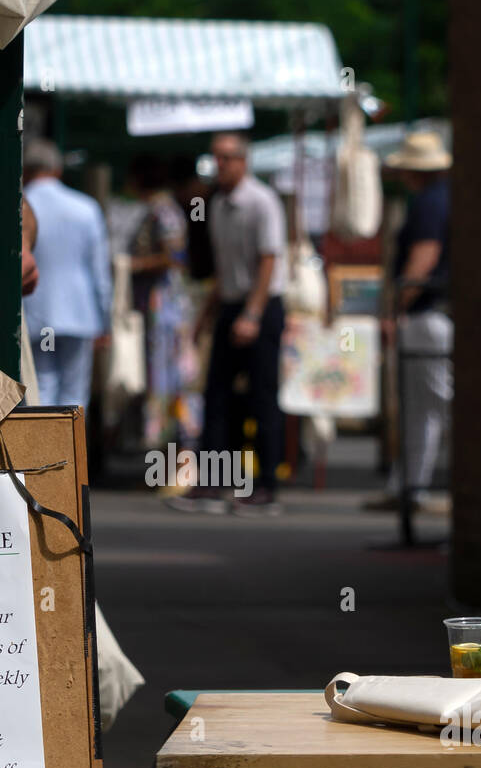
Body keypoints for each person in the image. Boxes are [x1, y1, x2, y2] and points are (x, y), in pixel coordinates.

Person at [167, 132, 287, 515]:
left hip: (262, 305)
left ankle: (267, 485)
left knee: (261, 395)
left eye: (227, 158)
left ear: (243, 161)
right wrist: (207, 316)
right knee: (217, 394)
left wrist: (252, 313)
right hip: (231, 303)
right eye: (215, 158)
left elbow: (269, 260)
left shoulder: (261, 201)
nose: (220, 165)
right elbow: (225, 269)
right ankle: (213, 482)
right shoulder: (216, 203)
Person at [366, 130, 453, 514]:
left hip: (425, 316)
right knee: (423, 409)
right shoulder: (441, 199)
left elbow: (423, 258)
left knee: (437, 401)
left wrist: (396, 309)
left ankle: (412, 485)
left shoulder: (428, 204)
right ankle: (407, 485)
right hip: (432, 315)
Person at [22, 139, 112, 410]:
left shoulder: (20, 206)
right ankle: (71, 452)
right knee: (75, 394)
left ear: (26, 170)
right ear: (57, 169)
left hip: (35, 310)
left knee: (41, 388)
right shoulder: (86, 207)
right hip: (78, 313)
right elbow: (100, 271)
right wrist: (105, 319)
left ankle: (43, 452)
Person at [126, 155, 193, 449]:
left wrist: (135, 265)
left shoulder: (162, 212)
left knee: (164, 379)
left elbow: (173, 257)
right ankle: (165, 452)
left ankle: (170, 453)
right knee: (162, 380)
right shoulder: (158, 210)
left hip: (163, 308)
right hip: (162, 307)